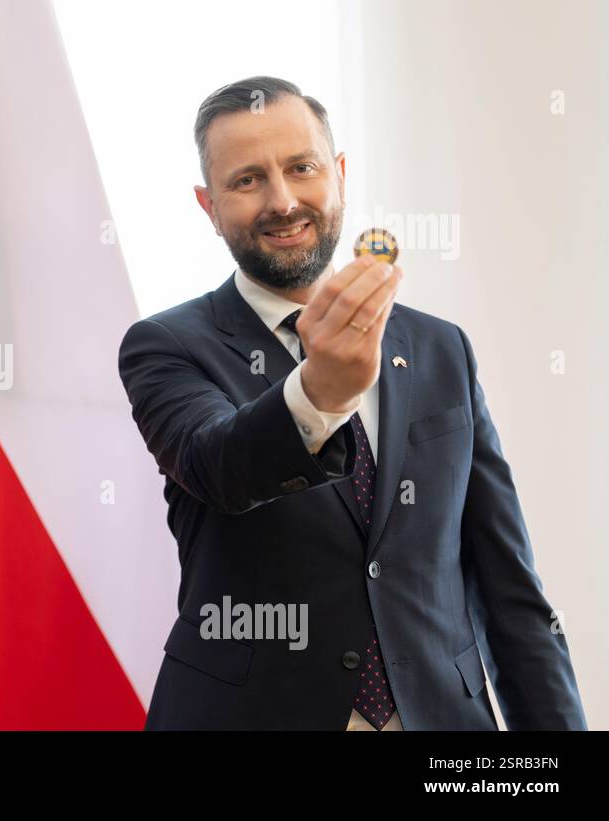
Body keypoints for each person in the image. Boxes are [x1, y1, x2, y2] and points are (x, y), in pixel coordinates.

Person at [118, 76, 585, 730]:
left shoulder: (441, 347)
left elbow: (512, 594)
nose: (282, 201)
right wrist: (318, 394)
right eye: (247, 180)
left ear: (338, 174)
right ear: (209, 205)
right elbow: (218, 465)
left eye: (301, 168)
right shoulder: (165, 345)